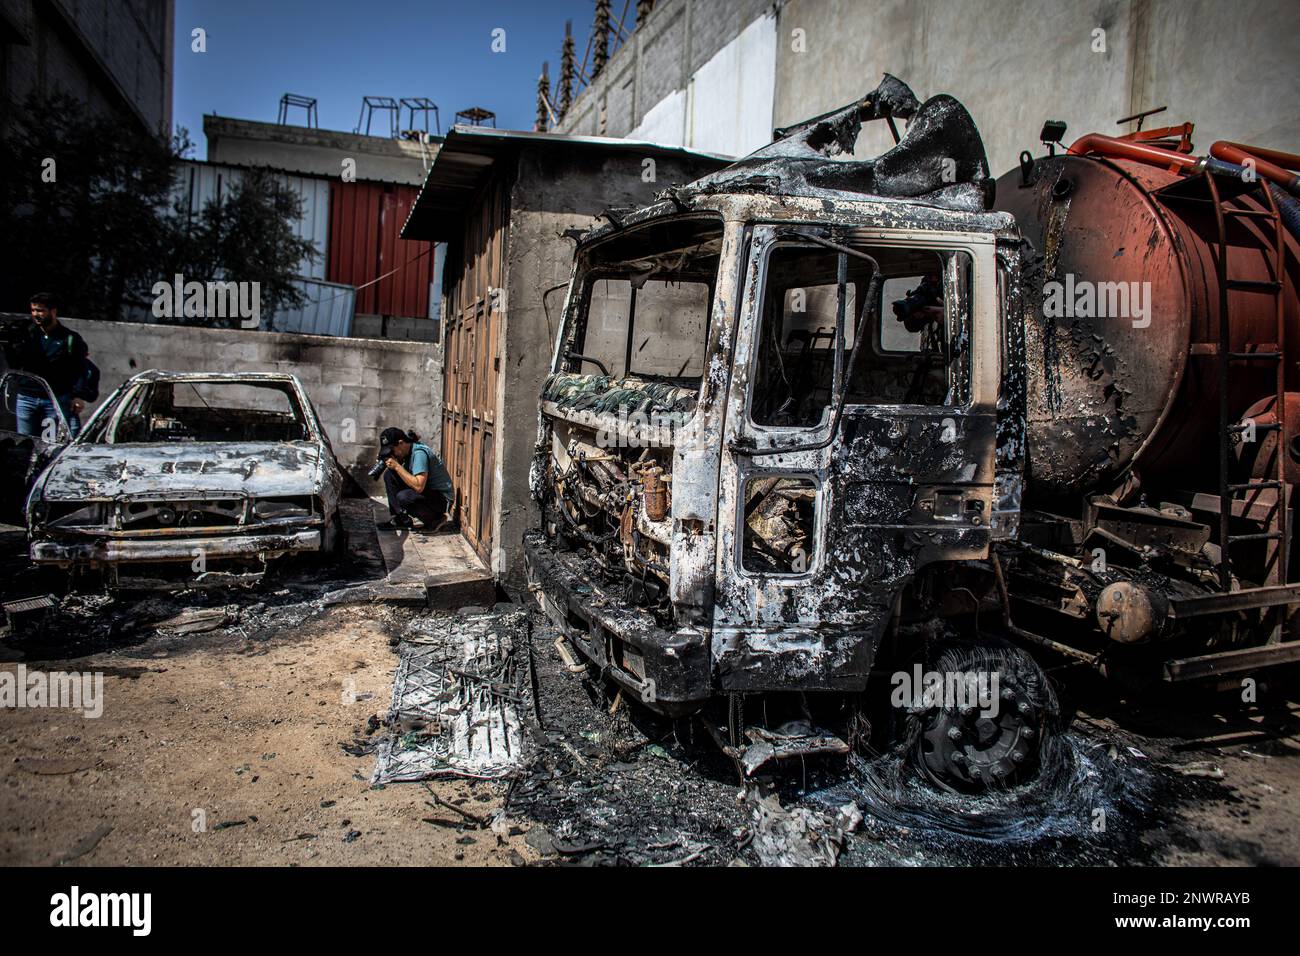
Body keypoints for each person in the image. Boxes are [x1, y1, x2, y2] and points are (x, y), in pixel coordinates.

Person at [4, 293, 95, 437]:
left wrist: (78, 395)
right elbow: (15, 363)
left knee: (52, 442)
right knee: (24, 441)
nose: (36, 314)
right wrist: (8, 345)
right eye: (33, 310)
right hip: (26, 396)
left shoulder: (70, 338)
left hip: (54, 399)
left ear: (53, 311)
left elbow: (81, 369)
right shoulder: (28, 334)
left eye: (40, 310)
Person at [376, 426, 454, 531]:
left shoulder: (419, 454)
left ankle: (435, 519)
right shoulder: (406, 452)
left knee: (404, 497)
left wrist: (397, 466)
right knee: (389, 475)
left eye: (392, 450)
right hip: (429, 492)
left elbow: (419, 486)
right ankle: (401, 519)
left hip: (441, 499)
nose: (392, 454)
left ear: (401, 443)